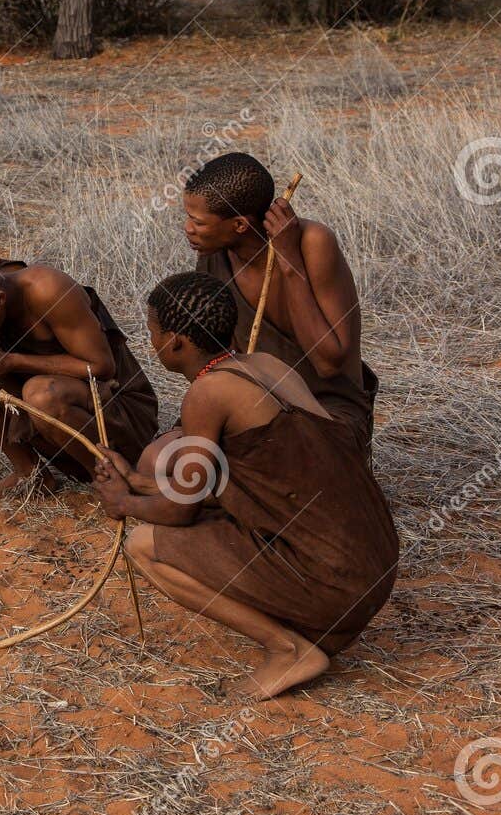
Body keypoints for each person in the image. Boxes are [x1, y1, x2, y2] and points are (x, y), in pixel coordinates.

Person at [93, 272, 399, 702]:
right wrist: (140, 481)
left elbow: (183, 510)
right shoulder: (267, 365)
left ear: (176, 342)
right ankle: (305, 625)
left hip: (337, 582)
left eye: (153, 332)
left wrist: (122, 502)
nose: (151, 341)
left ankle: (288, 649)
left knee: (143, 546)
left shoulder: (207, 393)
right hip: (376, 565)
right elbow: (257, 476)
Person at [181, 151, 378, 453]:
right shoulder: (214, 255)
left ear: (239, 225)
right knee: (161, 457)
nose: (188, 228)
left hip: (327, 415)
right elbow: (217, 358)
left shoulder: (312, 243)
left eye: (197, 222)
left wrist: (288, 261)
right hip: (254, 406)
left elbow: (328, 362)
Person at [0, 258, 157, 496]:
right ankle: (30, 474)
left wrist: (12, 361)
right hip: (58, 418)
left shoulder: (48, 291)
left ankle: (110, 480)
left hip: (122, 414)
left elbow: (101, 367)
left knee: (40, 395)